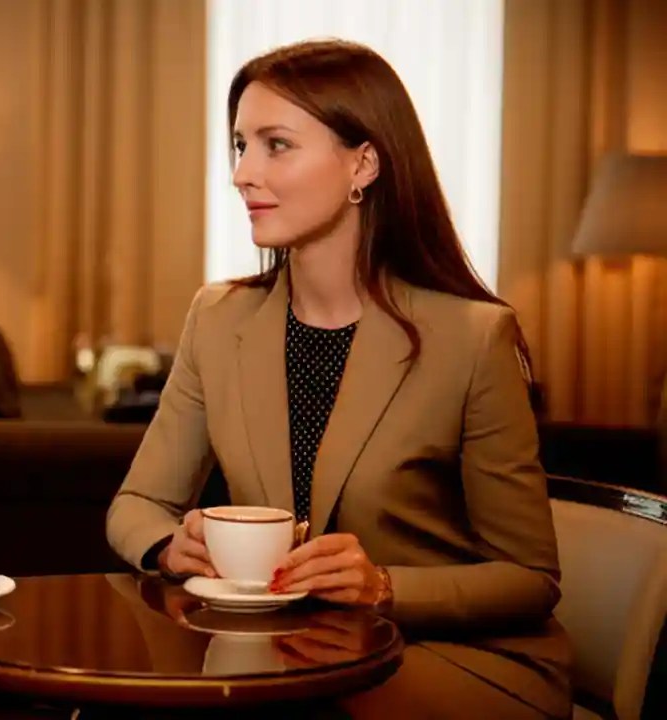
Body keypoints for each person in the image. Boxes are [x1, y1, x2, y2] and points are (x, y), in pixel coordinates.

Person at [106, 39, 571, 719]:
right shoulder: (218, 317)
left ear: (364, 163)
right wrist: (168, 545)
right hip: (281, 652)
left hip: (451, 657)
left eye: (276, 145)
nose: (242, 173)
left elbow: (531, 581)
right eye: (239, 145)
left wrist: (383, 586)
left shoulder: (473, 338)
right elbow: (135, 506)